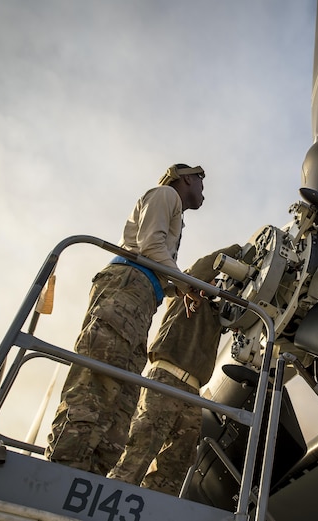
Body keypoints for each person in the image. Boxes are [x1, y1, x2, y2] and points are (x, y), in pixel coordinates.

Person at [45, 163, 207, 476]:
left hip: (144, 294)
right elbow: (149, 246)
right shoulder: (166, 195)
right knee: (99, 376)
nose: (204, 192)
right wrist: (188, 283)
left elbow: (155, 258)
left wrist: (176, 288)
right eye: (201, 182)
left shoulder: (175, 211)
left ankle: (92, 471)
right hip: (128, 285)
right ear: (187, 178)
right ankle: (64, 466)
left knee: (123, 390)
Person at [107, 244, 243, 495]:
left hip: (192, 393)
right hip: (166, 379)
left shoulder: (216, 315)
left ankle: (152, 509)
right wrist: (239, 251)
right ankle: (110, 501)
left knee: (178, 462)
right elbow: (206, 265)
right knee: (141, 449)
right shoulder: (185, 292)